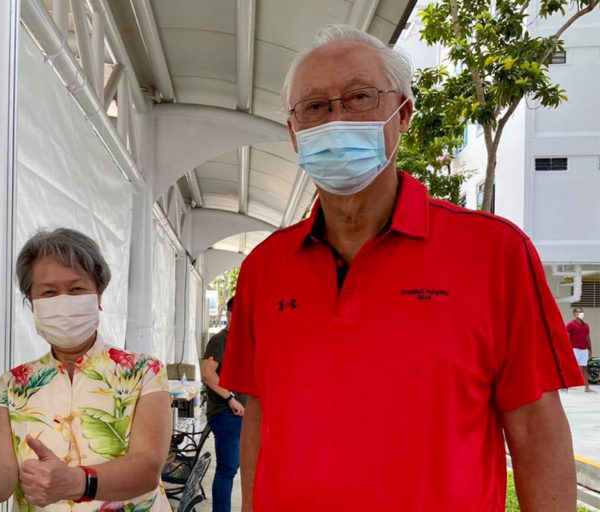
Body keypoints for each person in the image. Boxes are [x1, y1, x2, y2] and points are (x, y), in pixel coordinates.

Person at [219, 25, 584, 511]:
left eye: (358, 97)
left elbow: (536, 425)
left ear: (403, 113)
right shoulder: (264, 268)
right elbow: (259, 416)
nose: (336, 118)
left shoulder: (495, 252)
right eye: (315, 107)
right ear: (293, 132)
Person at [0, 227, 173, 511]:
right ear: (32, 303)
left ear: (98, 295)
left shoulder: (144, 371)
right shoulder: (12, 385)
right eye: (49, 293)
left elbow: (147, 468)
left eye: (76, 289)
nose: (63, 301)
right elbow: (2, 477)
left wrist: (78, 482)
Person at [200, 297, 244, 512]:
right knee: (227, 468)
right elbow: (208, 375)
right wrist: (230, 399)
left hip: (242, 413)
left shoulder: (242, 340)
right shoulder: (220, 340)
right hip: (226, 413)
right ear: (228, 313)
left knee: (235, 467)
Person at [568, 307, 593, 392]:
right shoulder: (570, 324)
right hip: (574, 349)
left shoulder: (586, 326)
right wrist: (568, 350)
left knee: (584, 368)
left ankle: (587, 387)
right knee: (570, 367)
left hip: (584, 350)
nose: (582, 313)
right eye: (580, 312)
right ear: (575, 314)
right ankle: (565, 386)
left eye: (582, 311)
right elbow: (567, 337)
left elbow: (587, 338)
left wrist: (590, 349)